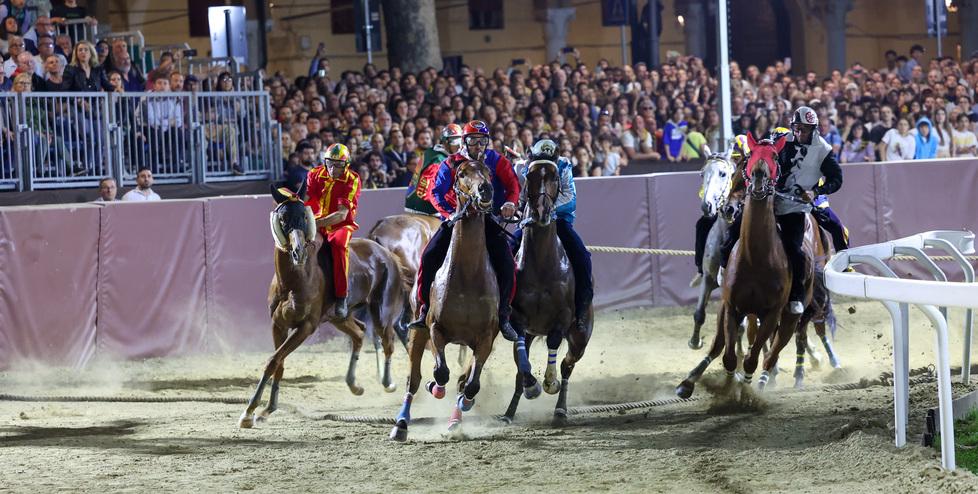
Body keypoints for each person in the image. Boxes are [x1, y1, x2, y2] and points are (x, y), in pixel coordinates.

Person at [719, 107, 843, 315]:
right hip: (767, 201)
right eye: (797, 128)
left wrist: (816, 191)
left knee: (794, 249)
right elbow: (761, 155)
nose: (799, 133)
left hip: (794, 206)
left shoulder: (824, 150)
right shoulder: (781, 139)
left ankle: (796, 294)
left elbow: (837, 179)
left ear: (814, 130)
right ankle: (725, 274)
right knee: (733, 235)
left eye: (804, 130)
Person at [408, 120, 521, 341]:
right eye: (473, 142)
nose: (478, 147)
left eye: (482, 142)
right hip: (456, 221)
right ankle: (424, 309)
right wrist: (450, 214)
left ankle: (505, 315)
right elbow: (436, 193)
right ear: (465, 142)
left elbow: (513, 185)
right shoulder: (451, 163)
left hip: (487, 220)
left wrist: (510, 203)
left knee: (508, 264)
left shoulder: (495, 160)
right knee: (429, 256)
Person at [514, 139, 594, 332]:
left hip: (559, 221)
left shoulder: (564, 165)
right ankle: (503, 309)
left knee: (582, 258)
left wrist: (547, 210)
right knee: (506, 251)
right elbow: (524, 196)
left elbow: (570, 198)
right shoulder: (527, 167)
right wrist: (519, 208)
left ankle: (581, 309)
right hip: (530, 221)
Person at [304, 143, 361, 319]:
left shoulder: (352, 179)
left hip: (340, 225)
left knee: (338, 245)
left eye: (338, 165)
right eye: (330, 163)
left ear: (346, 164)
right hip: (316, 223)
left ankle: (341, 296)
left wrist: (316, 222)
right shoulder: (314, 173)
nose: (332, 168)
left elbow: (342, 214)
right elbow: (305, 198)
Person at [405, 123, 461, 215]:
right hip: (425, 208)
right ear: (445, 142)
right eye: (455, 142)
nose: (459, 147)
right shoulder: (439, 160)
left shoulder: (430, 152)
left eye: (460, 141)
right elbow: (426, 189)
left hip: (411, 201)